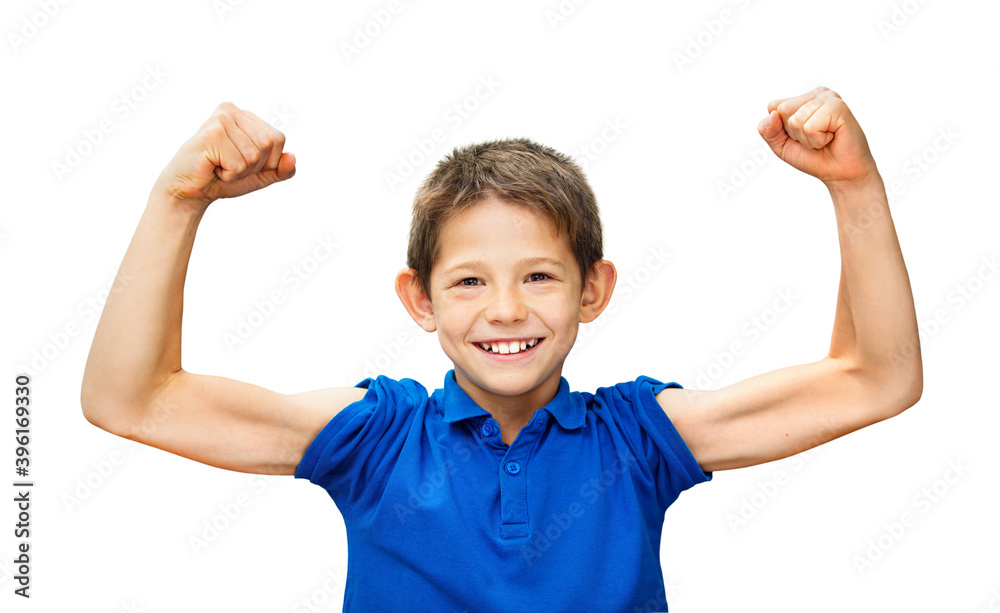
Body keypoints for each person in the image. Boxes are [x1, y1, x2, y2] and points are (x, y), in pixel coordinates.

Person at [80, 86, 923, 611]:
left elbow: (875, 380)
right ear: (420, 299)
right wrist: (177, 200)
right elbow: (131, 398)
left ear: (594, 289)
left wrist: (854, 186)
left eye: (541, 277)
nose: (507, 310)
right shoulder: (375, 440)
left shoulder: (637, 439)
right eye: (470, 282)